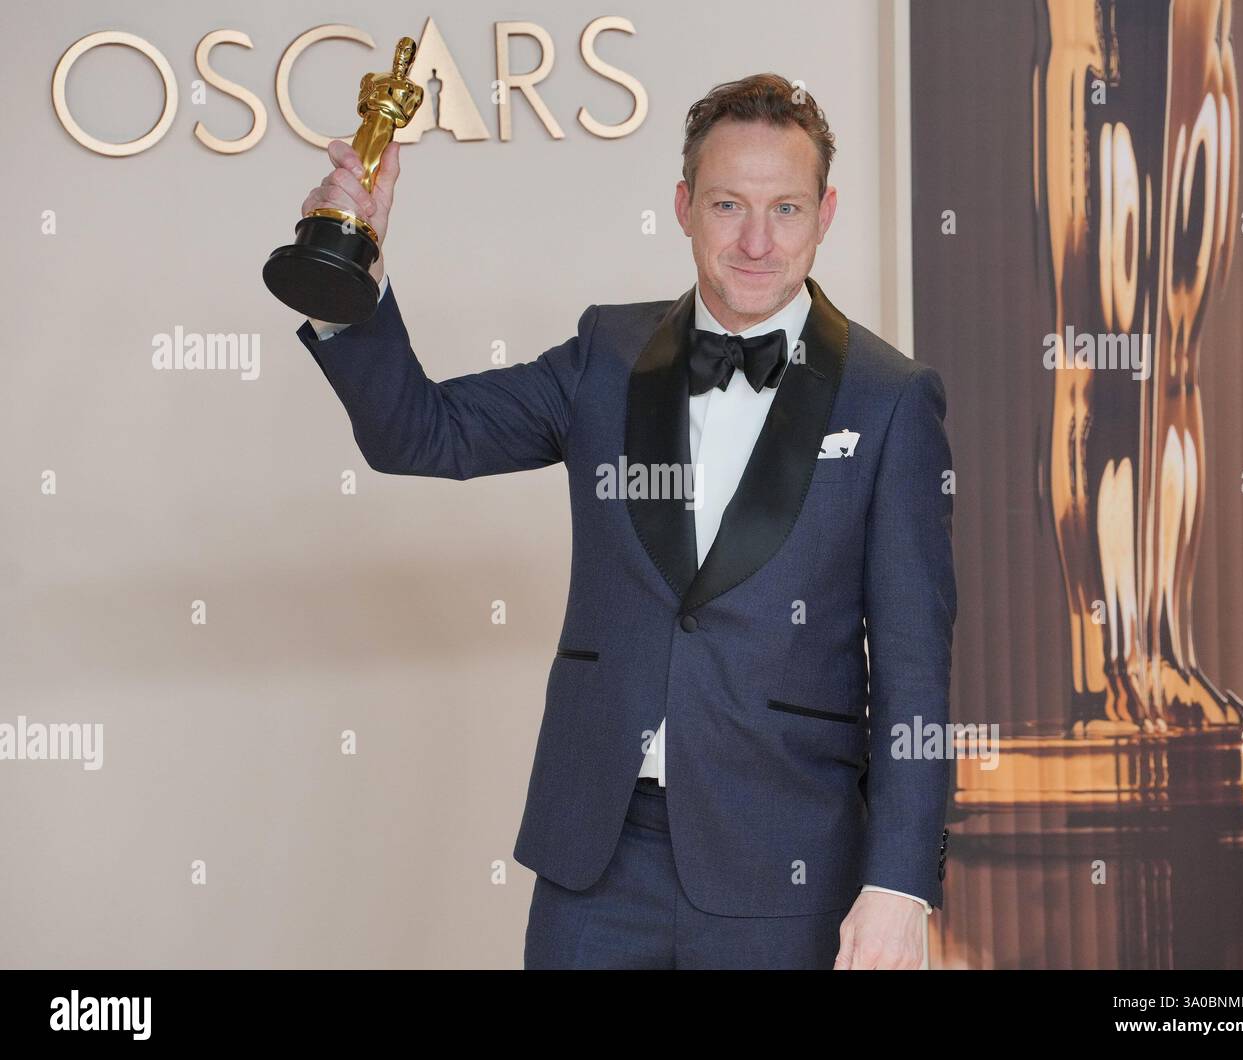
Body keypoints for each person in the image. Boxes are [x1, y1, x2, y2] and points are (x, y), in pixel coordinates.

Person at [294, 72, 956, 970]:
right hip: (595, 863)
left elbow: (915, 668)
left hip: (786, 870)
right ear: (683, 206)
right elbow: (422, 431)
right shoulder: (607, 354)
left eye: (786, 209)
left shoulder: (890, 398)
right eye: (727, 204)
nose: (757, 241)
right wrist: (350, 265)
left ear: (826, 212)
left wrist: (899, 885)